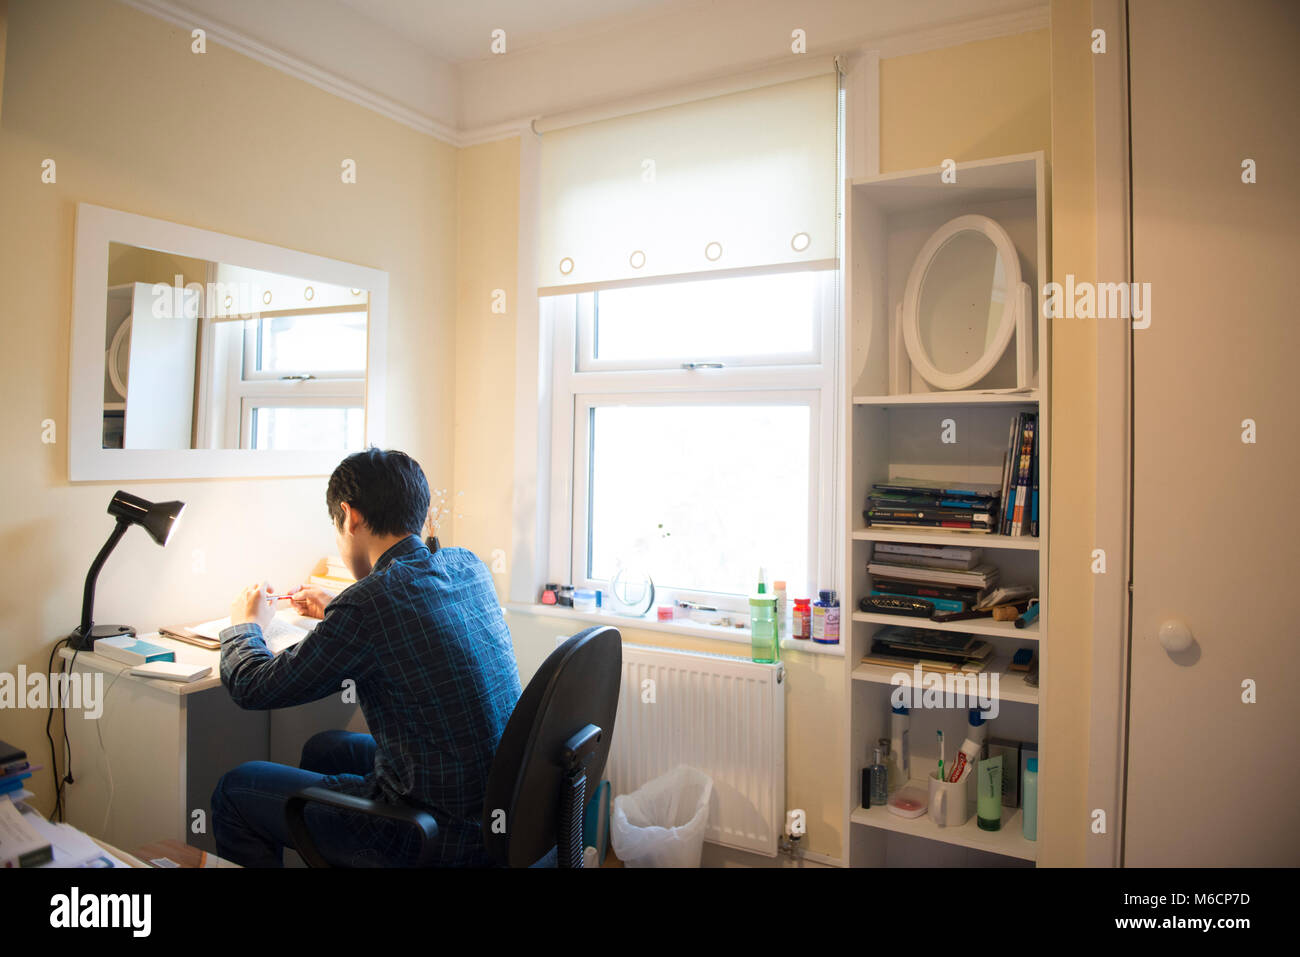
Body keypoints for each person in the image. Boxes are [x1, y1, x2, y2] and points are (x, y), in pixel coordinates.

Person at [210, 448, 522, 867]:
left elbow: (251, 686)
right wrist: (340, 606)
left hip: (434, 834)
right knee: (326, 748)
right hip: (494, 808)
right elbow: (411, 612)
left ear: (349, 515)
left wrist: (244, 624)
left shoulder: (368, 607)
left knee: (235, 790)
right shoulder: (468, 565)